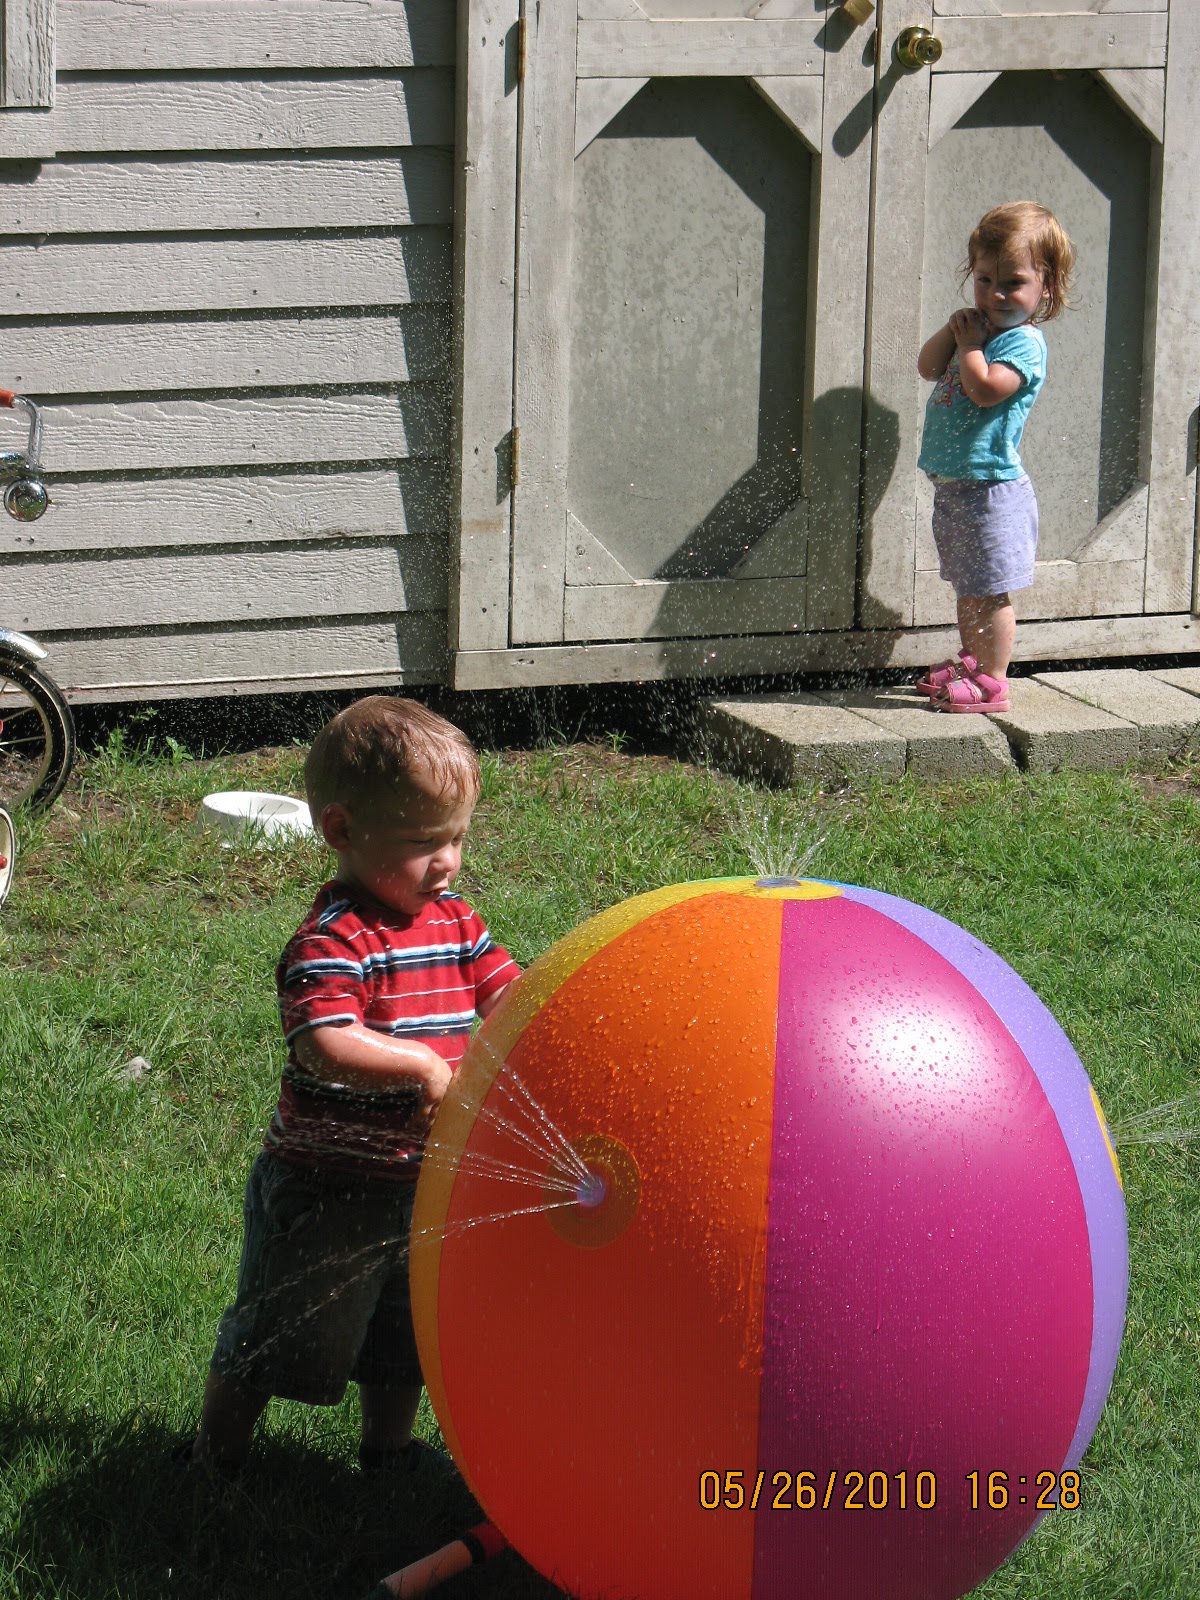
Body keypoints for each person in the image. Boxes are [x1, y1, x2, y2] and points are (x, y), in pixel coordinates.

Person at [184, 695, 519, 1475]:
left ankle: (389, 1450)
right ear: (341, 831)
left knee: (407, 1333)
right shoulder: (334, 937)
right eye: (423, 842)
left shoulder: (458, 922)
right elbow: (323, 1044)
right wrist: (425, 1065)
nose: (449, 861)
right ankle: (215, 1456)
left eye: (458, 838)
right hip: (326, 1187)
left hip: (423, 1181)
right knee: (280, 1327)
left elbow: (508, 994)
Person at [913, 201, 1074, 712]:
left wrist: (972, 347)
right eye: (984, 280)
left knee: (993, 592)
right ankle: (973, 660)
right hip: (959, 487)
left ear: (1045, 288)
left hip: (992, 492)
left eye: (1013, 283)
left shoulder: (1025, 344)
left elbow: (985, 390)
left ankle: (994, 681)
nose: (996, 294)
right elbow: (924, 365)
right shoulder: (977, 332)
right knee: (969, 587)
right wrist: (955, 331)